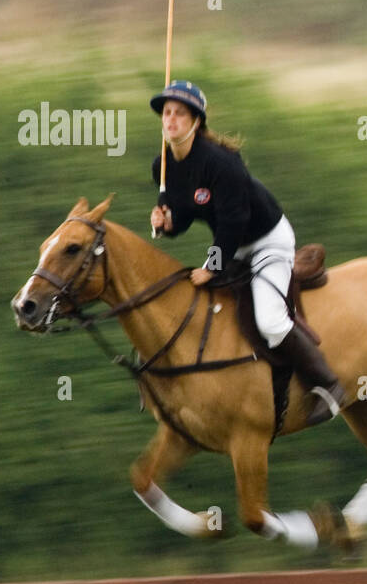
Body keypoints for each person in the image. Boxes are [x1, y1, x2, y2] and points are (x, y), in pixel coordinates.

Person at [148, 80, 345, 423]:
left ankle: (328, 385)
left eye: (180, 113)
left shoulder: (222, 163)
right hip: (233, 247)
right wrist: (166, 224)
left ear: (197, 121)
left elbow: (233, 220)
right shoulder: (163, 167)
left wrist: (212, 266)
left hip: (267, 240)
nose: (171, 120)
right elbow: (183, 217)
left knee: (269, 321)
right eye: (167, 113)